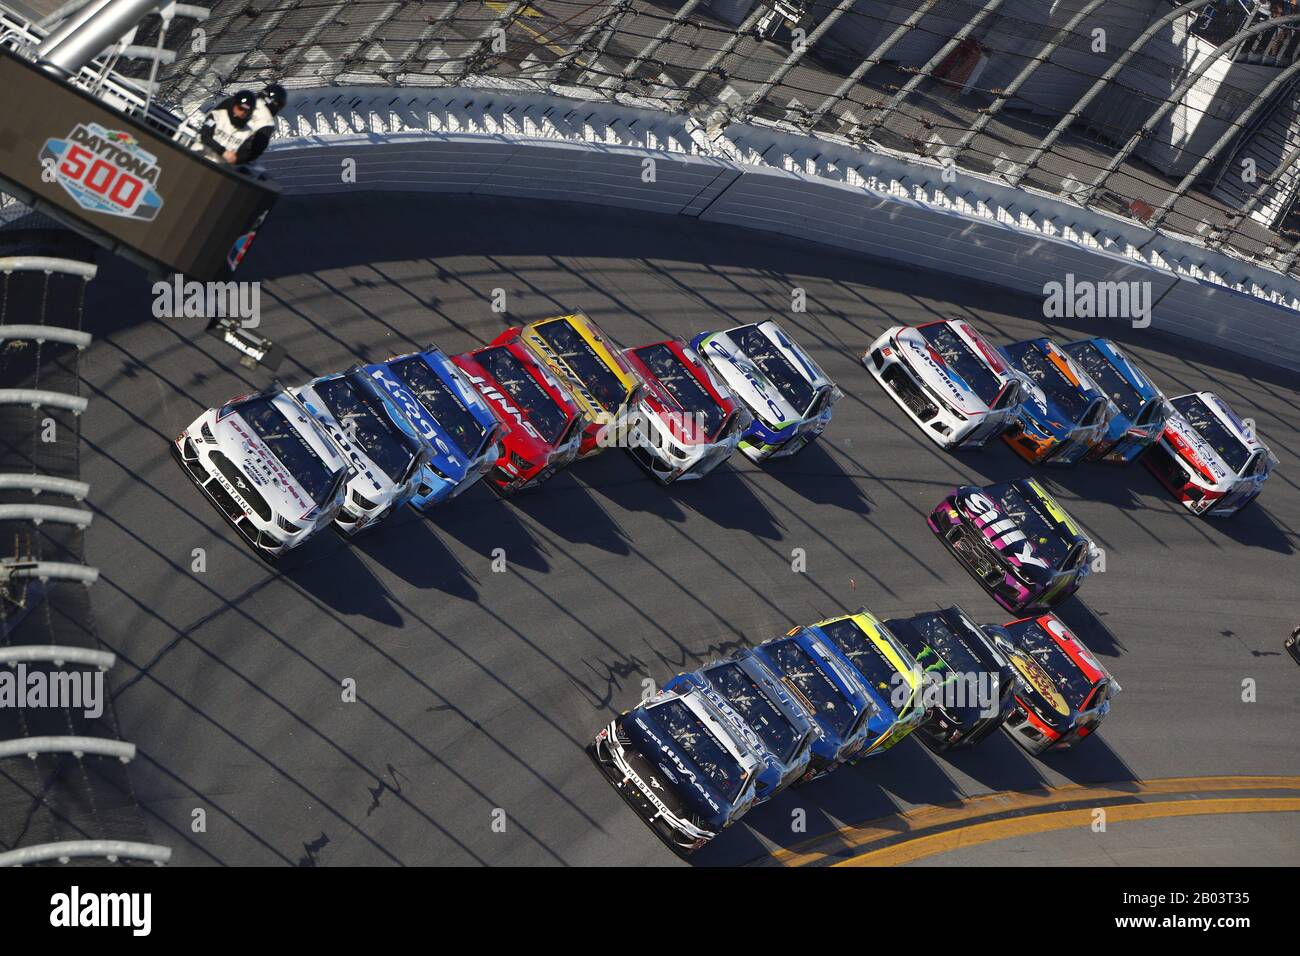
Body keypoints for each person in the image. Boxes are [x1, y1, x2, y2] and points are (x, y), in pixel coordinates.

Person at [194, 89, 258, 165]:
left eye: (247, 111)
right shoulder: (216, 116)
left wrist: (237, 158)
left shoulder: (248, 132)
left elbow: (245, 153)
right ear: (234, 105)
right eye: (240, 108)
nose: (242, 113)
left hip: (219, 167)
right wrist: (223, 151)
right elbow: (204, 135)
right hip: (199, 157)